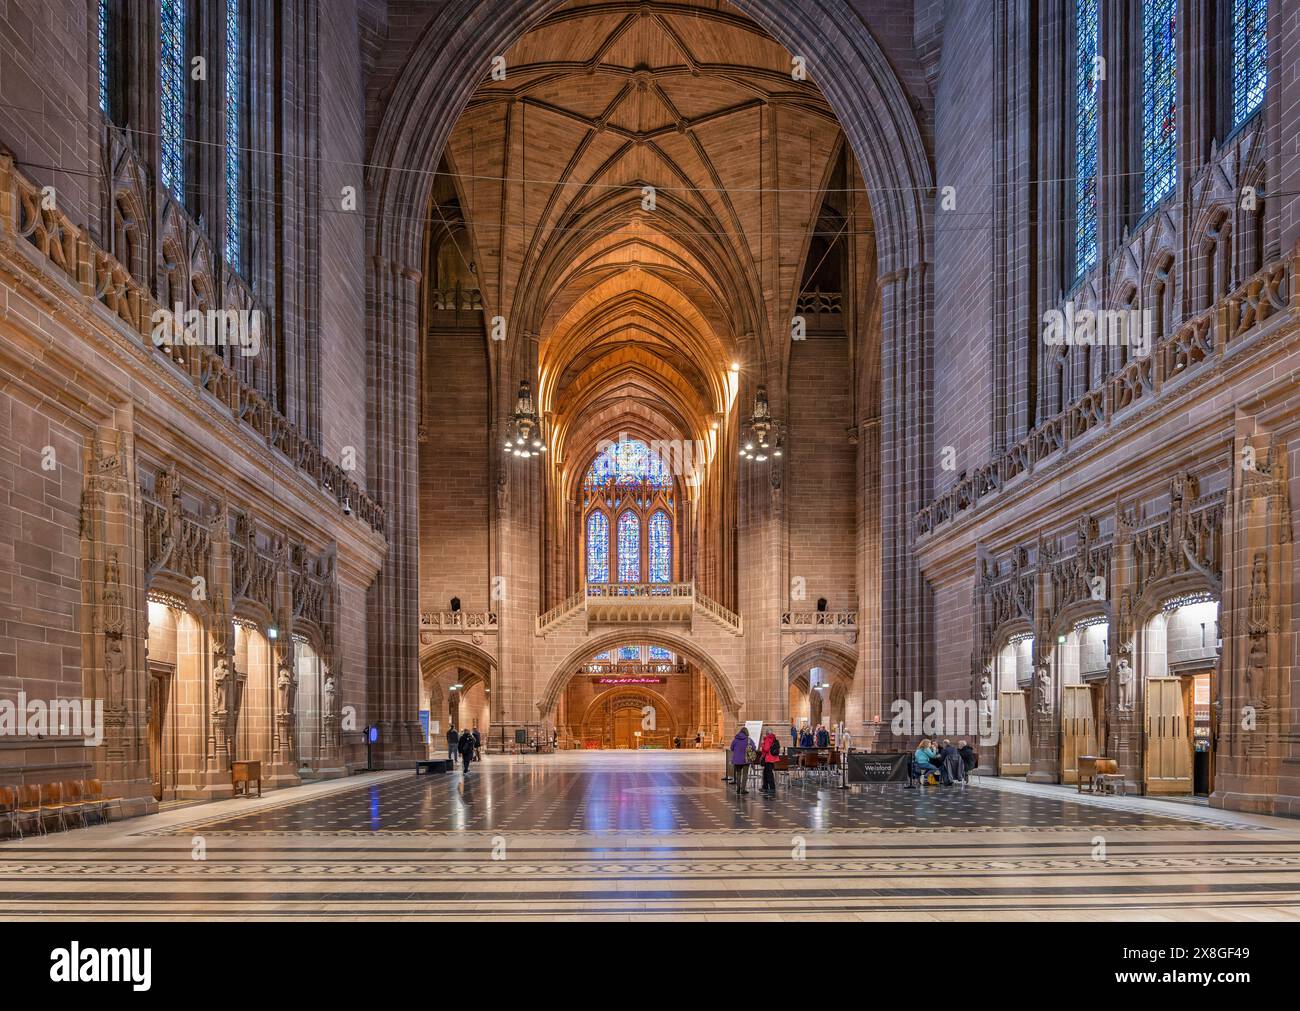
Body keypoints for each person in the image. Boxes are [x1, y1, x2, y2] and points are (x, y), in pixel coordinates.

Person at [730, 727, 751, 795]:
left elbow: (731, 748)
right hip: (745, 759)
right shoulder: (748, 740)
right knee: (745, 774)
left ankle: (738, 788)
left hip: (737, 759)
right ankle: (743, 789)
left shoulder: (735, 739)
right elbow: (754, 747)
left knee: (738, 774)